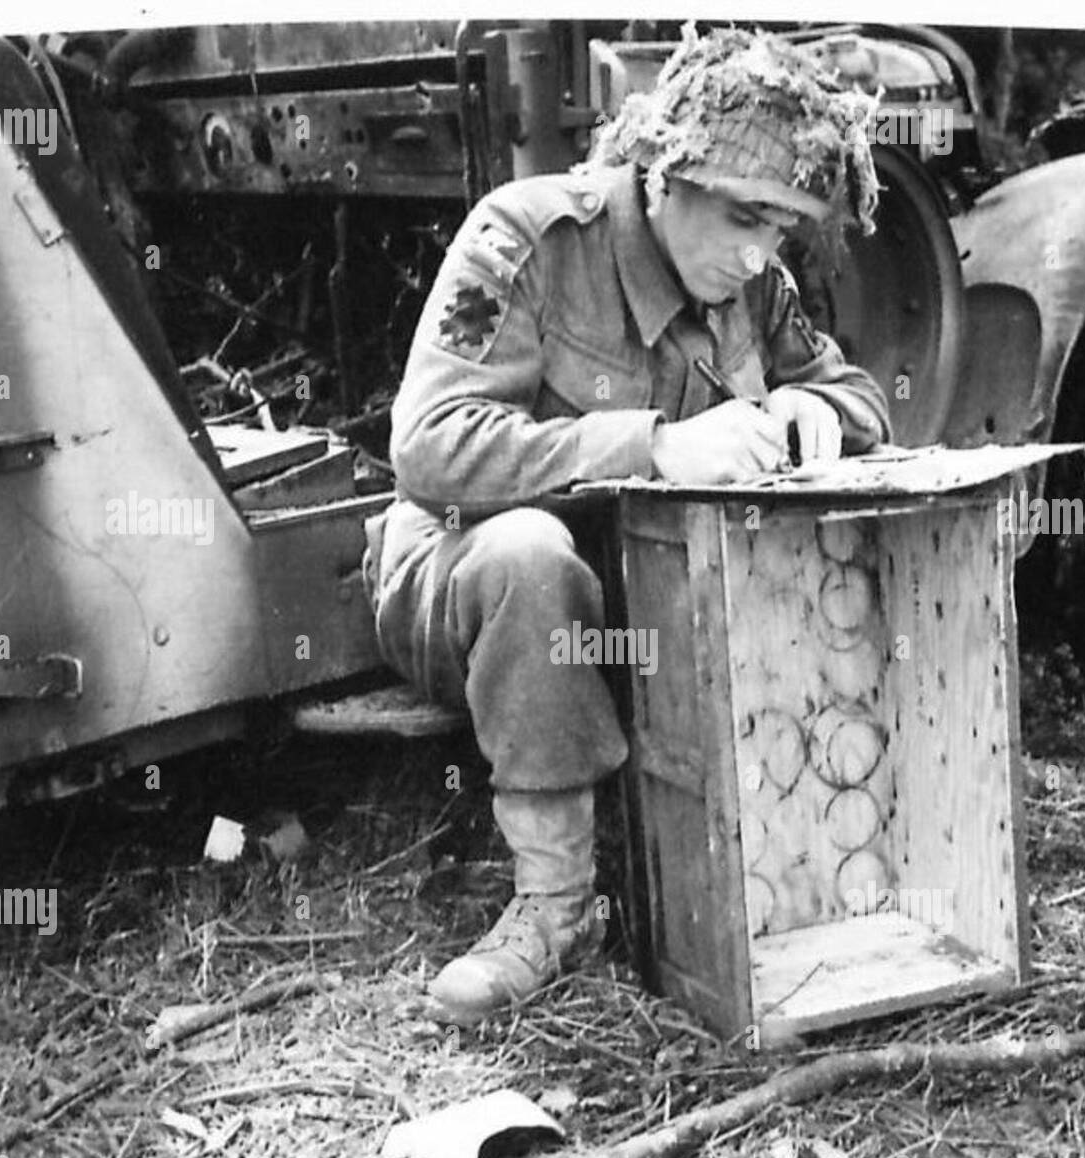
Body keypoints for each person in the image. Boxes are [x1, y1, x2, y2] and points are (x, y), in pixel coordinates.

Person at [362, 25, 893, 1023]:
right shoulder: (521, 238)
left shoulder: (750, 287)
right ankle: (557, 907)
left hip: (639, 616)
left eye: (780, 228)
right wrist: (650, 447)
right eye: (742, 216)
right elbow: (430, 447)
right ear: (661, 169)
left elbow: (856, 388)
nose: (757, 252)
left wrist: (817, 412)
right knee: (532, 555)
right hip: (460, 581)